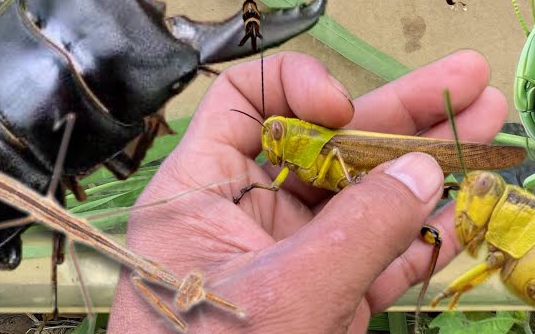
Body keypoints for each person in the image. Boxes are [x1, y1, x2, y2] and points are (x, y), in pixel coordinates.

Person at [110, 49, 508, 333]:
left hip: (375, 164)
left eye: (277, 132)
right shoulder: (287, 173)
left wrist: (379, 191)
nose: (270, 140)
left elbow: (335, 166)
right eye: (270, 133)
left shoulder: (319, 151)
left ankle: (477, 172)